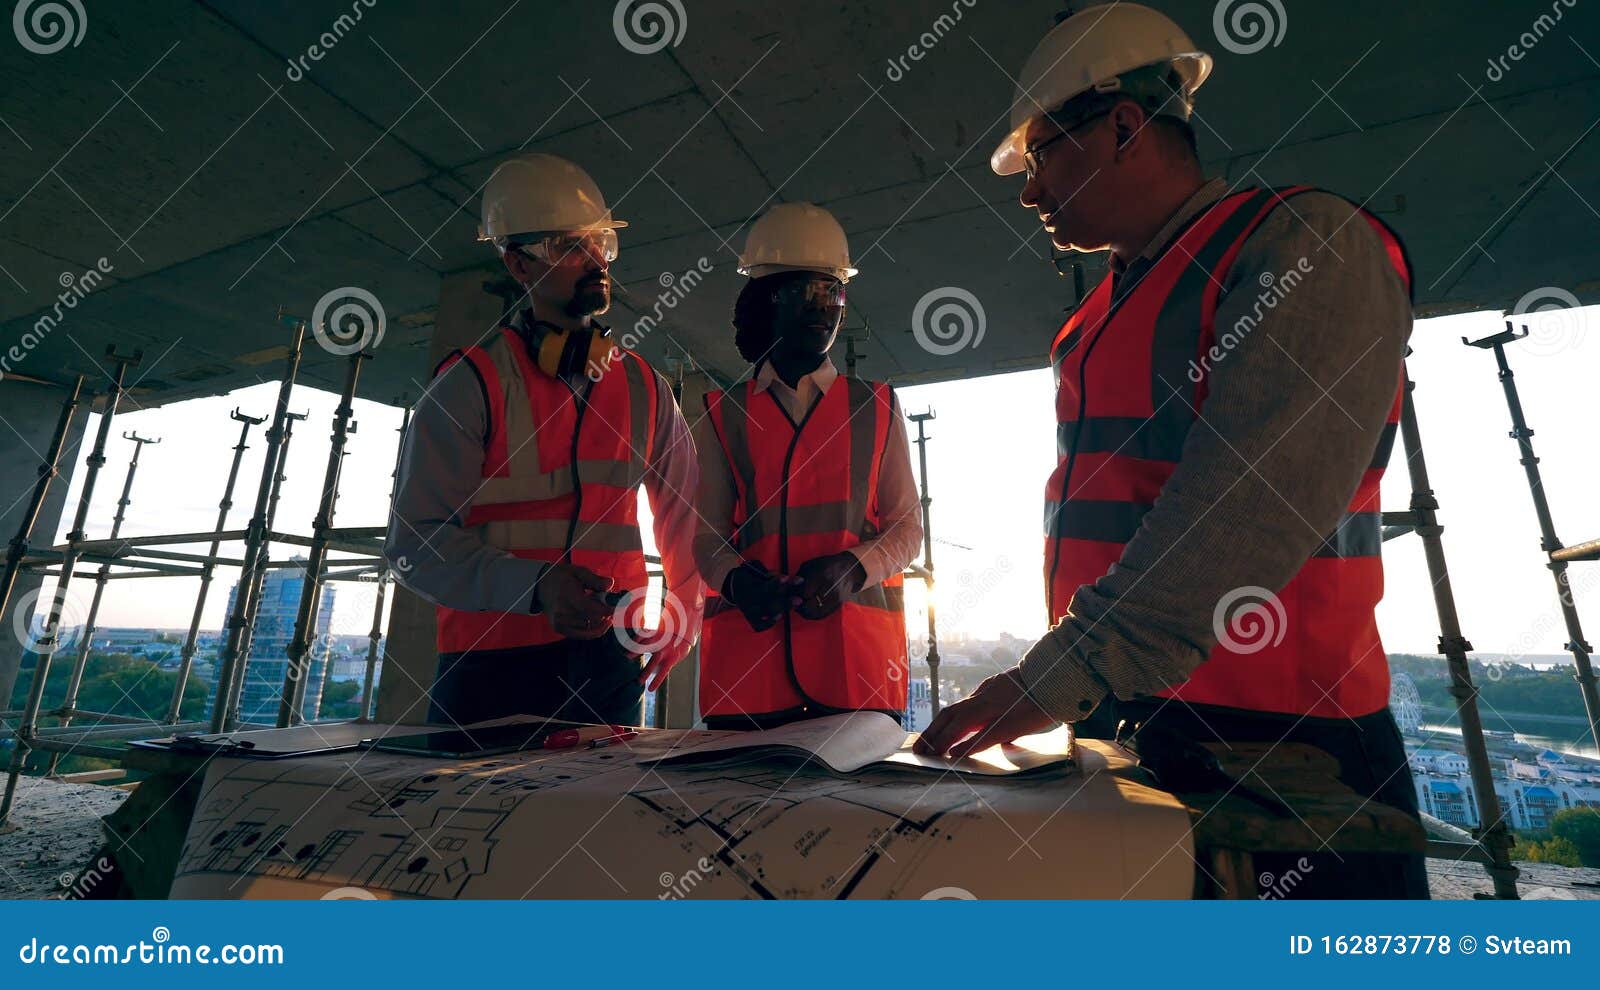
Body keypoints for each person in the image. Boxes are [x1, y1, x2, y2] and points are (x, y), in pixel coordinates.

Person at [914, 4, 1425, 898]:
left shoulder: (1303, 246)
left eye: (1040, 158)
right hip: (1132, 720)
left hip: (1280, 751)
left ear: (1122, 126)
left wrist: (1066, 670)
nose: (1030, 194)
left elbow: (1252, 503)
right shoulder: (1097, 314)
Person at [385, 153, 703, 728]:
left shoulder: (644, 386)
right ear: (519, 265)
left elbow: (685, 514)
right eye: (567, 247)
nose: (594, 261)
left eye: (600, 243)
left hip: (610, 662)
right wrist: (534, 587)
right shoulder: (469, 384)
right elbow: (413, 546)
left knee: (602, 817)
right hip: (489, 662)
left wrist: (685, 608)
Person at [689, 203, 923, 730]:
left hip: (856, 671)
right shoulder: (722, 412)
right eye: (806, 292)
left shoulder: (876, 405)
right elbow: (706, 538)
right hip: (748, 675)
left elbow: (908, 530)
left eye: (834, 292)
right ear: (765, 301)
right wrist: (736, 582)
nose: (825, 308)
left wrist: (853, 569)